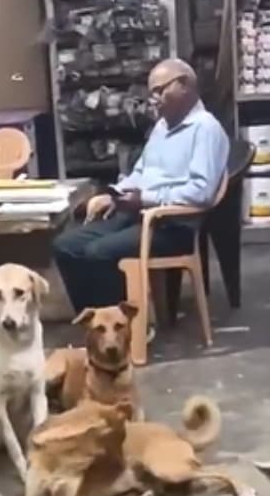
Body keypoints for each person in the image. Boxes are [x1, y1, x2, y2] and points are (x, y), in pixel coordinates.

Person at [52, 58, 229, 317]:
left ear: (185, 86)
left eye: (160, 90)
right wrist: (115, 194)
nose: (154, 99)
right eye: (152, 93)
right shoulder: (161, 127)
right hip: (139, 214)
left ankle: (123, 327)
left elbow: (201, 192)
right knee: (66, 245)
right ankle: (95, 322)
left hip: (173, 224)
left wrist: (146, 198)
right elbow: (140, 173)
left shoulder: (206, 129)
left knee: (98, 252)